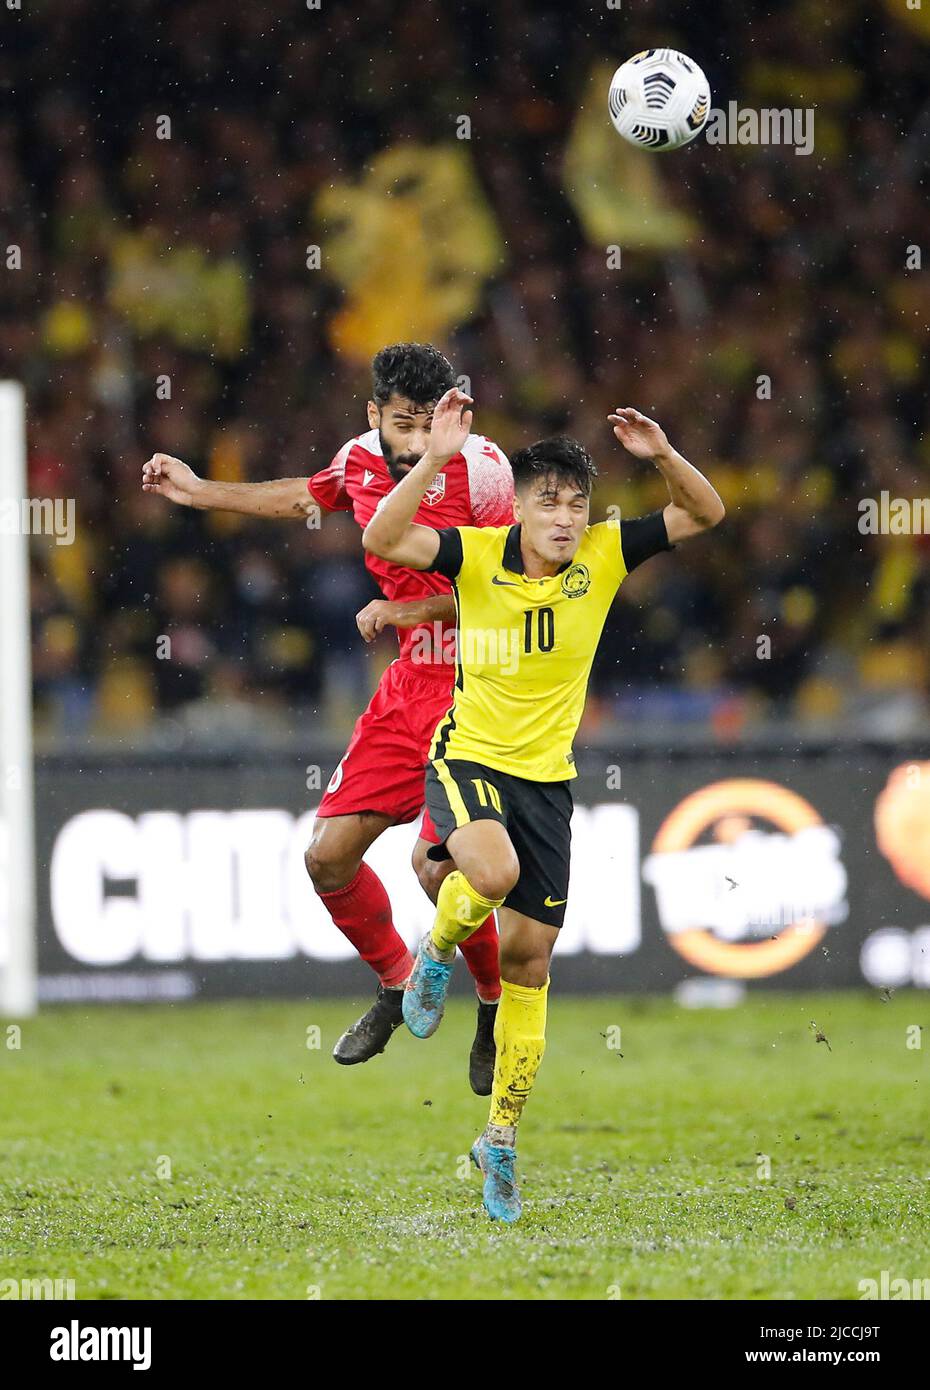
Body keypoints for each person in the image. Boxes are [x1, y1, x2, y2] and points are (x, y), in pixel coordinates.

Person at [362, 387, 725, 1221]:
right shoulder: (475, 553)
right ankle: (436, 952)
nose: (565, 519)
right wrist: (435, 461)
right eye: (548, 502)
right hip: (469, 758)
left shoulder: (605, 553)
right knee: (487, 871)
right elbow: (383, 536)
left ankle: (500, 1140)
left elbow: (705, 513)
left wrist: (664, 455)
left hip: (548, 785)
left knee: (529, 965)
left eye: (577, 504)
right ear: (518, 507)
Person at [142, 345, 514, 1093]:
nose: (414, 439)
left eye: (428, 421)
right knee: (326, 857)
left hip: (476, 683)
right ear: (374, 414)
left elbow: (510, 581)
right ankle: (398, 985)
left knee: (440, 871)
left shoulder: (482, 469)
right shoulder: (357, 461)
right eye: (400, 422)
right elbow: (300, 497)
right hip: (408, 683)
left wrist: (408, 606)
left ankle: (493, 1010)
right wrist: (197, 491)